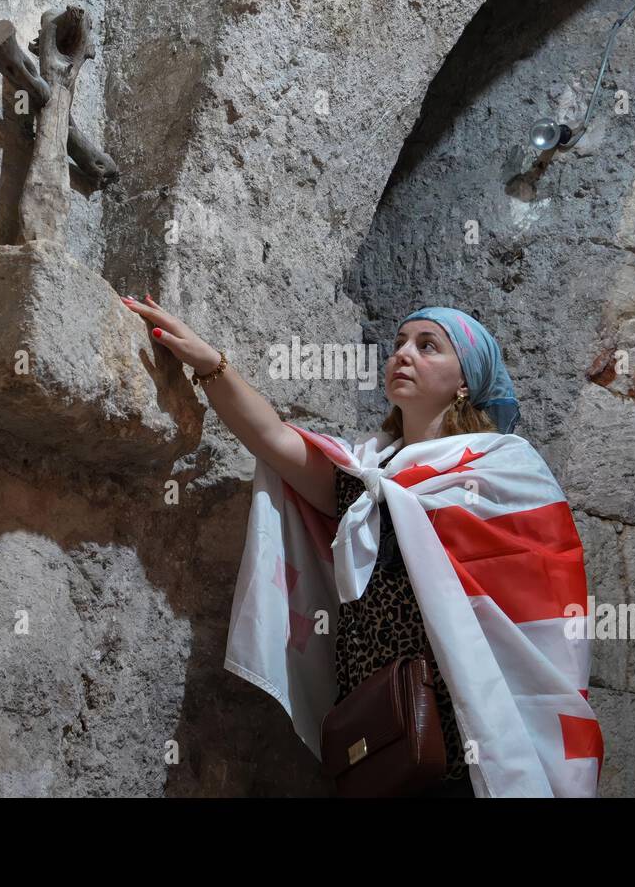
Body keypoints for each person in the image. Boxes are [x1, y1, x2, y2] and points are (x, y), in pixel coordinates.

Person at [120, 293, 601, 798]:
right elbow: (269, 436)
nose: (403, 354)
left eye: (428, 346)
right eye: (399, 344)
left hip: (466, 722)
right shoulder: (364, 472)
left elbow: (539, 602)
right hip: (378, 717)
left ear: (465, 383)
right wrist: (209, 362)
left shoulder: (504, 468)